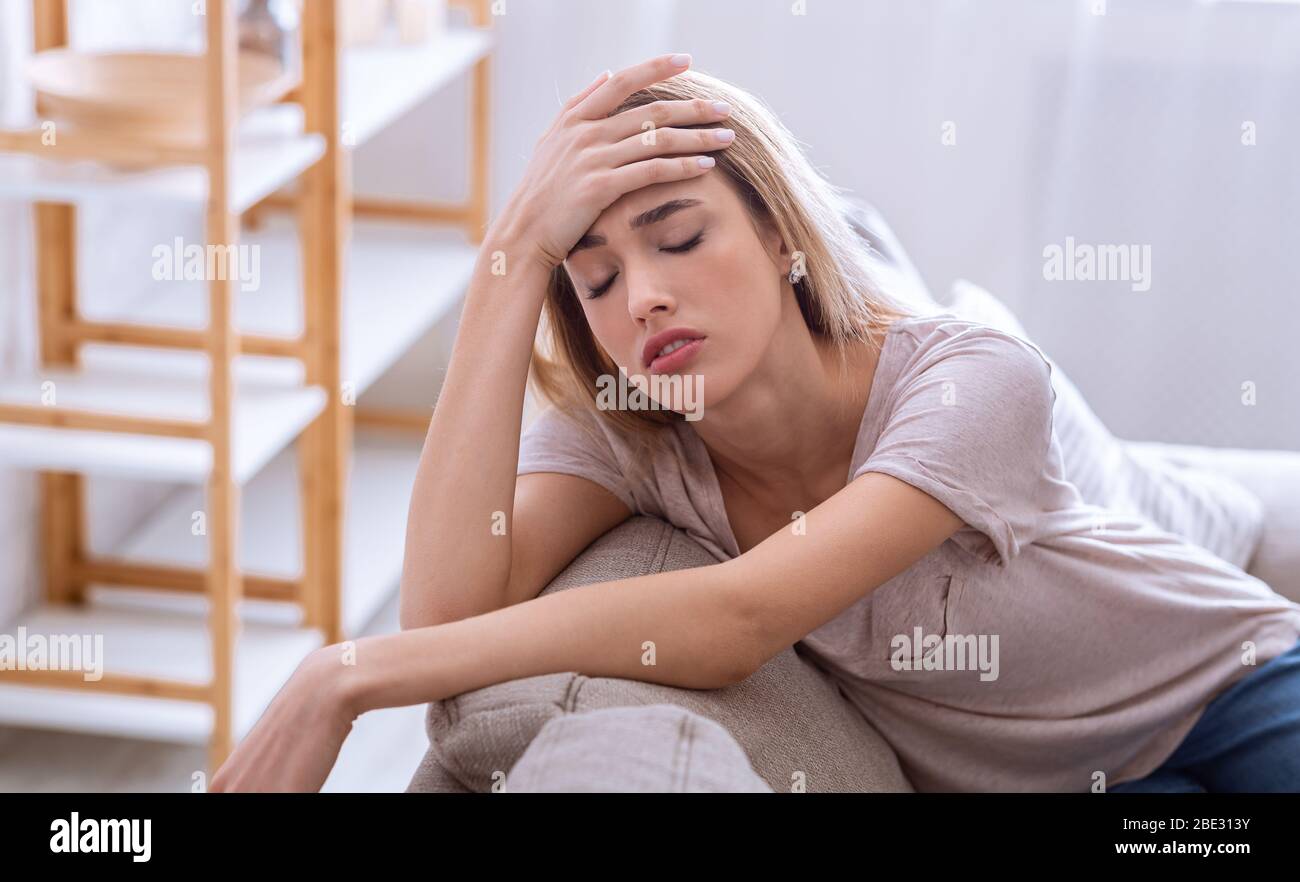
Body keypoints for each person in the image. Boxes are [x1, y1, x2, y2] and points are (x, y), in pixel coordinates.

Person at [212, 54, 1300, 793]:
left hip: (1233, 690)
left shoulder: (974, 383)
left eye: (676, 238)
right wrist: (507, 263)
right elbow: (447, 622)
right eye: (592, 280)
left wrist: (340, 676)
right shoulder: (630, 428)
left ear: (781, 235)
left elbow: (739, 616)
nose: (640, 297)